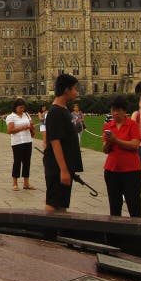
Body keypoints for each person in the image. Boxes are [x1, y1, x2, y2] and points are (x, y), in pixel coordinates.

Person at [43, 74, 83, 213]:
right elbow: (55, 142)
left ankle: (60, 226)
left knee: (62, 203)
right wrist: (64, 170)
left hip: (66, 164)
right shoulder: (55, 112)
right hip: (58, 166)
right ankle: (48, 227)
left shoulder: (64, 109)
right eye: (74, 88)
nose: (76, 92)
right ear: (66, 90)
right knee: (53, 203)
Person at [103, 96, 141, 218]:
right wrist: (109, 142)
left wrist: (116, 140)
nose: (115, 113)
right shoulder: (108, 126)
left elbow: (135, 145)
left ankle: (136, 228)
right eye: (113, 110)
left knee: (134, 204)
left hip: (131, 171)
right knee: (114, 205)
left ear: (124, 111)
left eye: (118, 110)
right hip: (112, 170)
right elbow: (105, 150)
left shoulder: (132, 125)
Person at [6, 98, 35, 190]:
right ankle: (15, 183)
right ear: (15, 107)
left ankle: (26, 183)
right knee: (17, 162)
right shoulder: (11, 117)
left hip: (27, 140)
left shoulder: (26, 115)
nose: (22, 109)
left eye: (23, 107)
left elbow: (31, 127)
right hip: (17, 142)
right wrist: (23, 127)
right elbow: (10, 130)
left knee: (27, 162)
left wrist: (31, 127)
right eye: (20, 107)